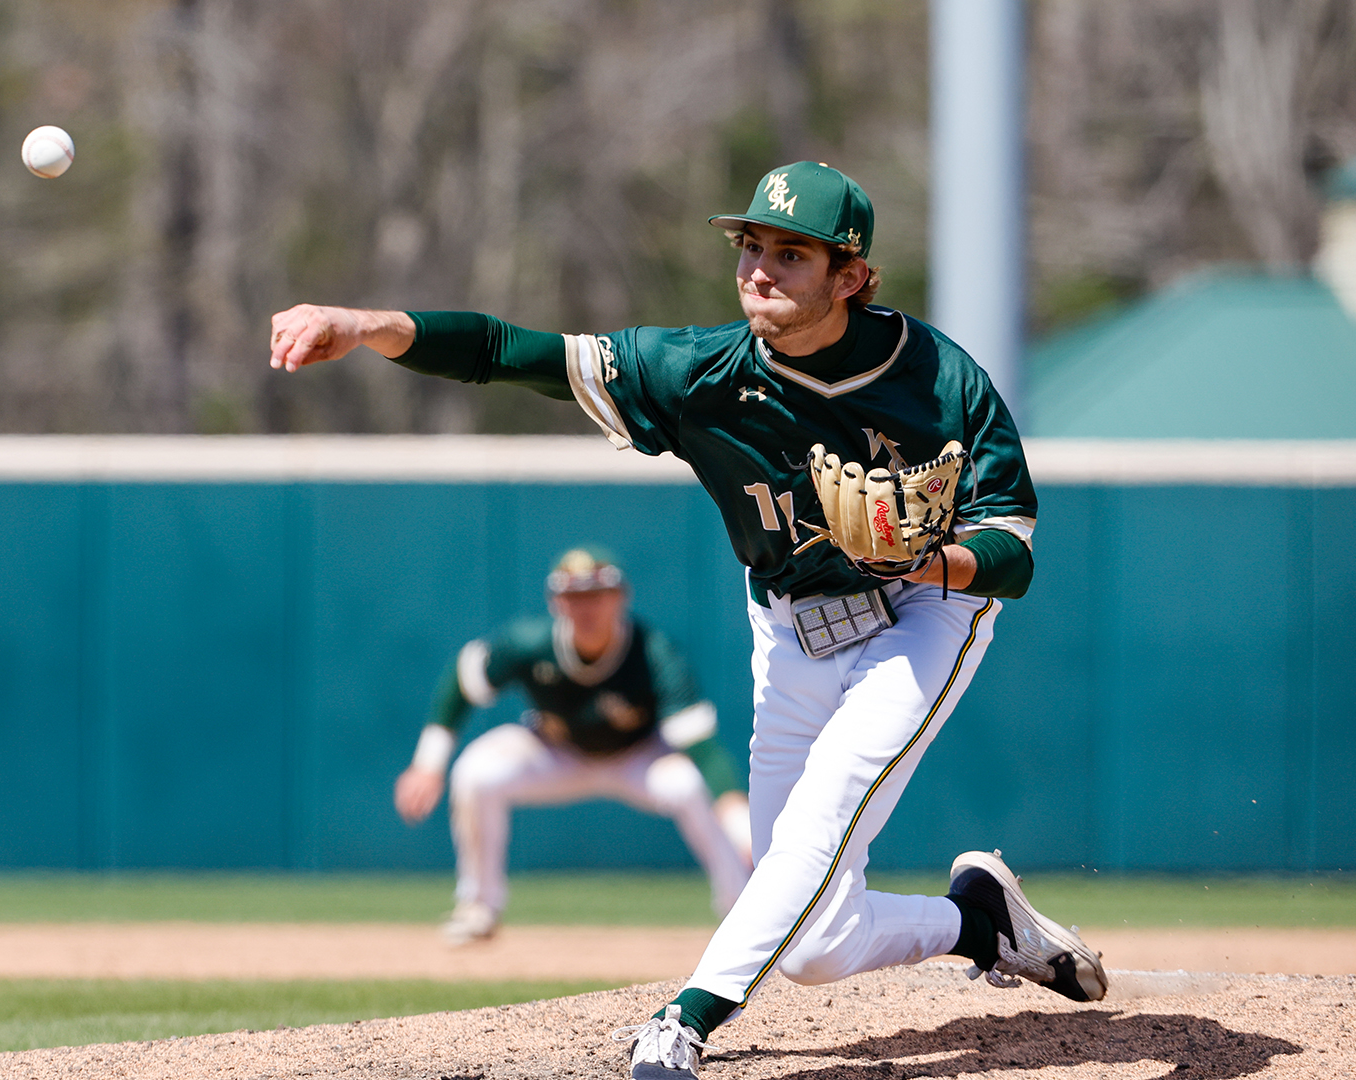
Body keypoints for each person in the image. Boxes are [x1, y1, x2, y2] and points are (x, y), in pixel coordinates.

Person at [269, 161, 1106, 1079]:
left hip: (923, 612)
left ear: (853, 276)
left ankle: (686, 1018)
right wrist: (364, 326)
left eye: (791, 254)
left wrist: (929, 559)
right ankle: (980, 922)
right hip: (789, 625)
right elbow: (517, 352)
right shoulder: (697, 371)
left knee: (819, 822)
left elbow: (1013, 554)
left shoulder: (940, 377)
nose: (759, 269)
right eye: (750, 246)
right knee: (814, 946)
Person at [394, 546, 754, 945]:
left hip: (637, 757)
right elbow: (463, 680)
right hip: (555, 750)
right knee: (476, 772)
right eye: (574, 597)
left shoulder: (654, 652)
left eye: (596, 595)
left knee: (689, 785)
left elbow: (702, 747)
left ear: (619, 598)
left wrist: (742, 828)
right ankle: (478, 905)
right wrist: (428, 763)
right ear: (555, 602)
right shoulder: (529, 642)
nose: (586, 608)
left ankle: (742, 911)